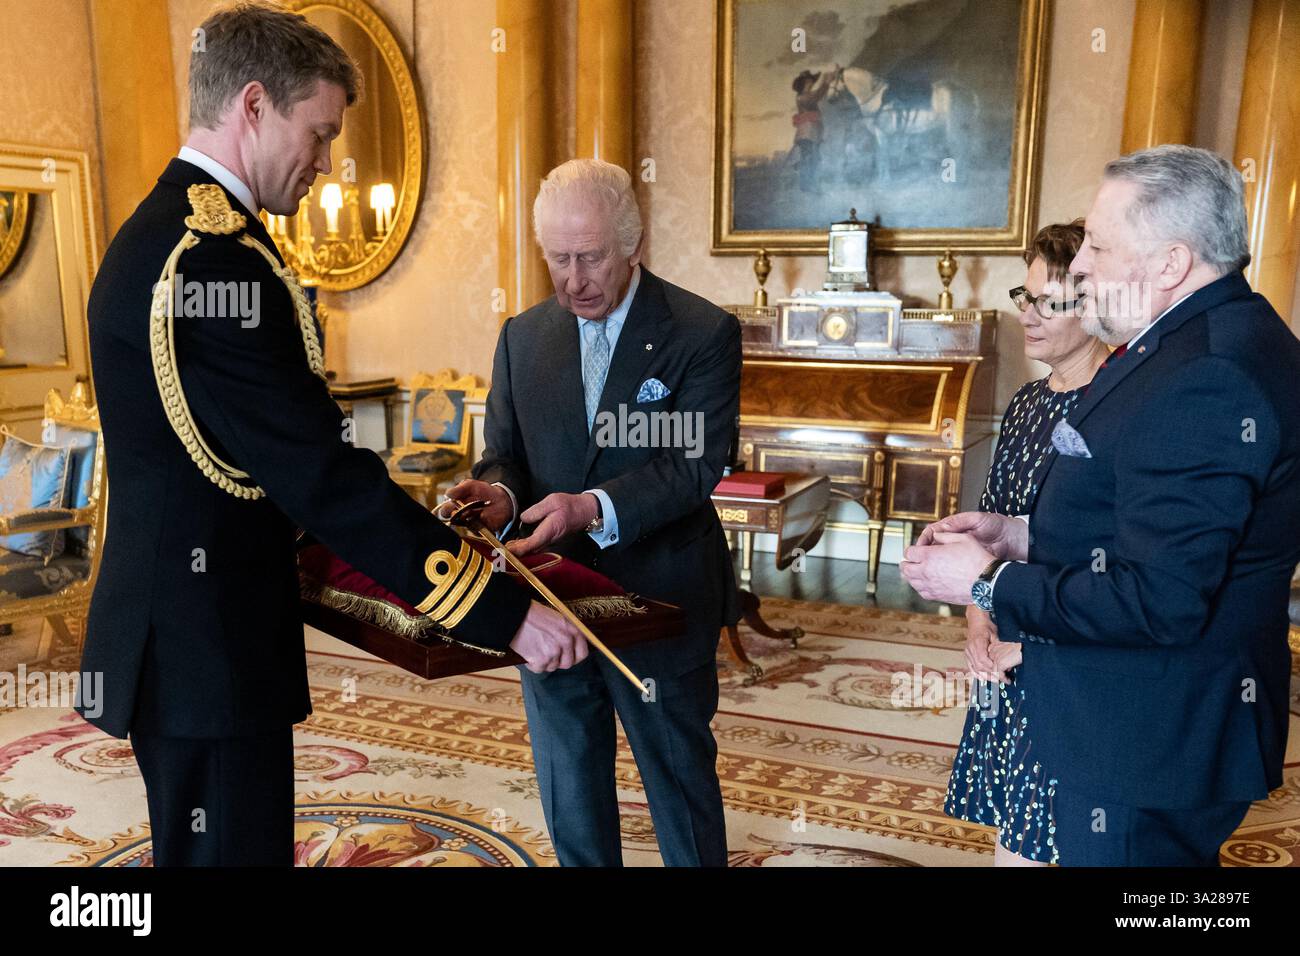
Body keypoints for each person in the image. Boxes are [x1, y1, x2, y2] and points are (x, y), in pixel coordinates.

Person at [76, 0, 583, 866]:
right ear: (252, 105)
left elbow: (248, 464)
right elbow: (317, 474)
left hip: (189, 635)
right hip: (210, 651)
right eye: (319, 132)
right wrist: (503, 614)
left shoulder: (167, 236)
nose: (326, 162)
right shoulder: (213, 260)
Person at [902, 144, 1300, 866]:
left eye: (1099, 244)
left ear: (1170, 264)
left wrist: (985, 582)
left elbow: (1161, 599)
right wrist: (1019, 533)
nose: (1079, 264)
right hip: (1151, 719)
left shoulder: (1208, 374)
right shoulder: (1199, 339)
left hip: (1151, 732)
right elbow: (1140, 519)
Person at [447, 158, 741, 866]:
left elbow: (693, 465)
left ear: (633, 244)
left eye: (589, 258)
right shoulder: (523, 336)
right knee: (571, 791)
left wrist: (590, 507)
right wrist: (502, 495)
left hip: (661, 599)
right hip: (547, 599)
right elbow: (505, 454)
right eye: (557, 259)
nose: (572, 279)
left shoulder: (701, 332)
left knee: (679, 788)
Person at [943, 219, 1108, 866]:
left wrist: (1030, 646)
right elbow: (993, 521)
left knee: (1053, 841)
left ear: (1093, 304)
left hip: (1066, 649)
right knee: (1013, 832)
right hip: (1004, 636)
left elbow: (1108, 557)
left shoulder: (1116, 409)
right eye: (1025, 297)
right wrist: (977, 620)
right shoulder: (1025, 403)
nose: (1029, 316)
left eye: (1050, 302)